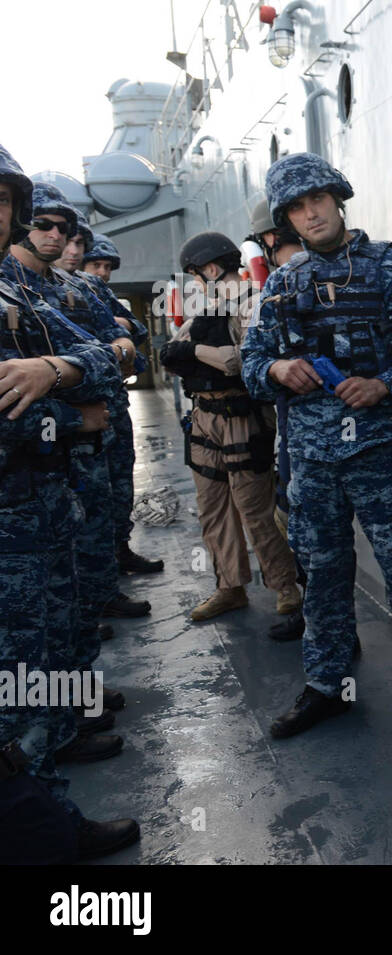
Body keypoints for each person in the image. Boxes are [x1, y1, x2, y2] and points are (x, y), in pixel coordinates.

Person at [241, 153, 392, 740]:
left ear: (337, 199)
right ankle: (327, 686)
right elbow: (252, 362)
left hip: (382, 457)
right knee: (322, 580)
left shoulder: (389, 269)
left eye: (317, 199)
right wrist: (280, 368)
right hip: (312, 463)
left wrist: (384, 384)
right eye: (296, 206)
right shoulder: (284, 283)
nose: (309, 213)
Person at [0, 141, 140, 859]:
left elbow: (115, 353)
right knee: (18, 688)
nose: (51, 234)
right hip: (14, 518)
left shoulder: (21, 297)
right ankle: (44, 833)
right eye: (42, 223)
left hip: (39, 510)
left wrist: (53, 368)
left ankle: (49, 803)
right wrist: (68, 415)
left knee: (46, 651)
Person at [158, 232, 300, 621]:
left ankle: (286, 586)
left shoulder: (254, 304)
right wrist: (191, 352)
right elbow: (171, 352)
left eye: (196, 276)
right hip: (204, 419)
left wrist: (196, 352)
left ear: (210, 268)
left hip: (242, 419)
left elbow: (242, 361)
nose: (195, 285)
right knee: (213, 508)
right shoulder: (207, 311)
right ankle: (229, 586)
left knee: (255, 508)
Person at [58, 227, 162, 577]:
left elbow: (137, 331)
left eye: (107, 266)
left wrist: (121, 332)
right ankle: (94, 579)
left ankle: (118, 551)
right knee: (86, 501)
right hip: (77, 419)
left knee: (119, 486)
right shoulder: (54, 293)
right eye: (95, 264)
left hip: (113, 409)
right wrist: (115, 340)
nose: (102, 273)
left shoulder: (96, 293)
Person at [246, 197, 308, 643]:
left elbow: (253, 367)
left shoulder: (276, 289)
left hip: (302, 439)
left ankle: (316, 620)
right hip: (371, 440)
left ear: (271, 237)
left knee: (302, 534)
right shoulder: (360, 269)